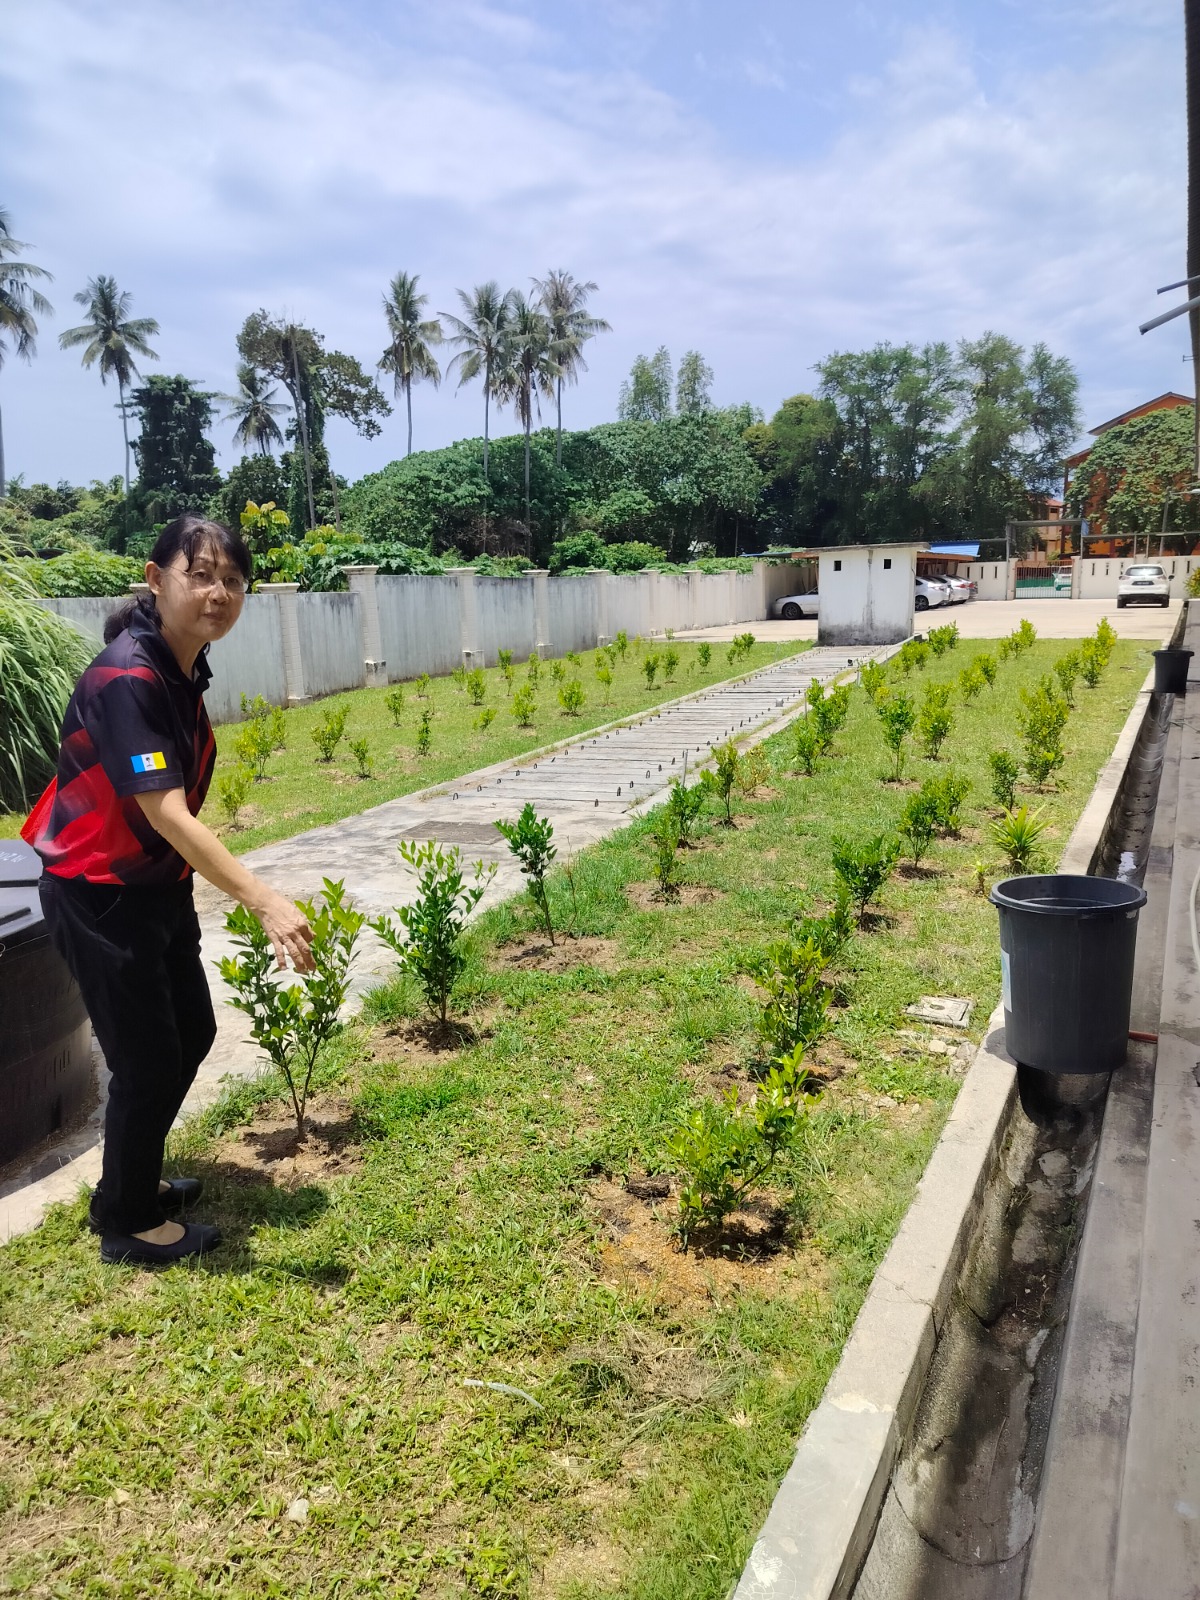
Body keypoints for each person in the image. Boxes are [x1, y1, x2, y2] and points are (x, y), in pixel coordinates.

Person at [21, 513, 314, 1267]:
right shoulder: (129, 676)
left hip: (152, 885)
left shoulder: (182, 668)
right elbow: (166, 811)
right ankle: (126, 1220)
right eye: (201, 574)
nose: (219, 592)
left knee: (191, 1034)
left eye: (233, 579)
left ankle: (133, 1178)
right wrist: (265, 899)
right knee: (147, 1060)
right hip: (97, 891)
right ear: (156, 581)